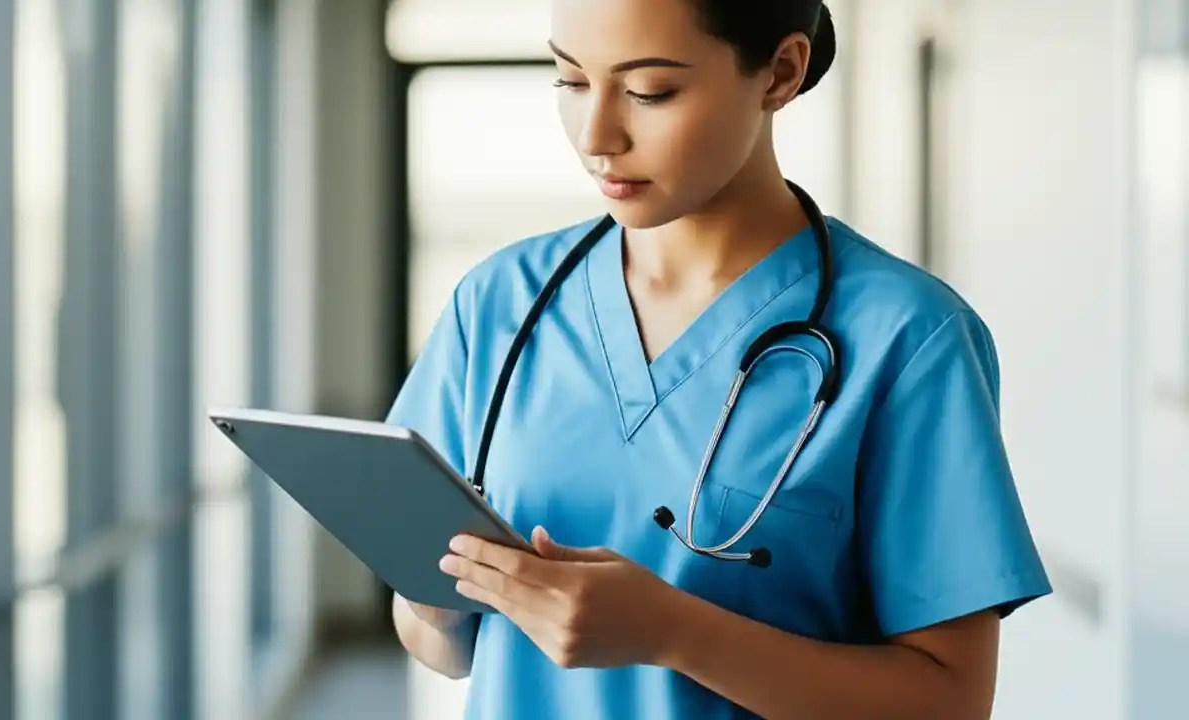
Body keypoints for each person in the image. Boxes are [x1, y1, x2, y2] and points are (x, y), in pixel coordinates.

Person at [386, 1, 1052, 718]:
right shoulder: (500, 304)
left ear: (781, 72)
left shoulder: (906, 337)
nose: (597, 136)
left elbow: (949, 701)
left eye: (650, 92)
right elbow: (442, 644)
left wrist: (673, 632)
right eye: (571, 81)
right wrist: (441, 605)